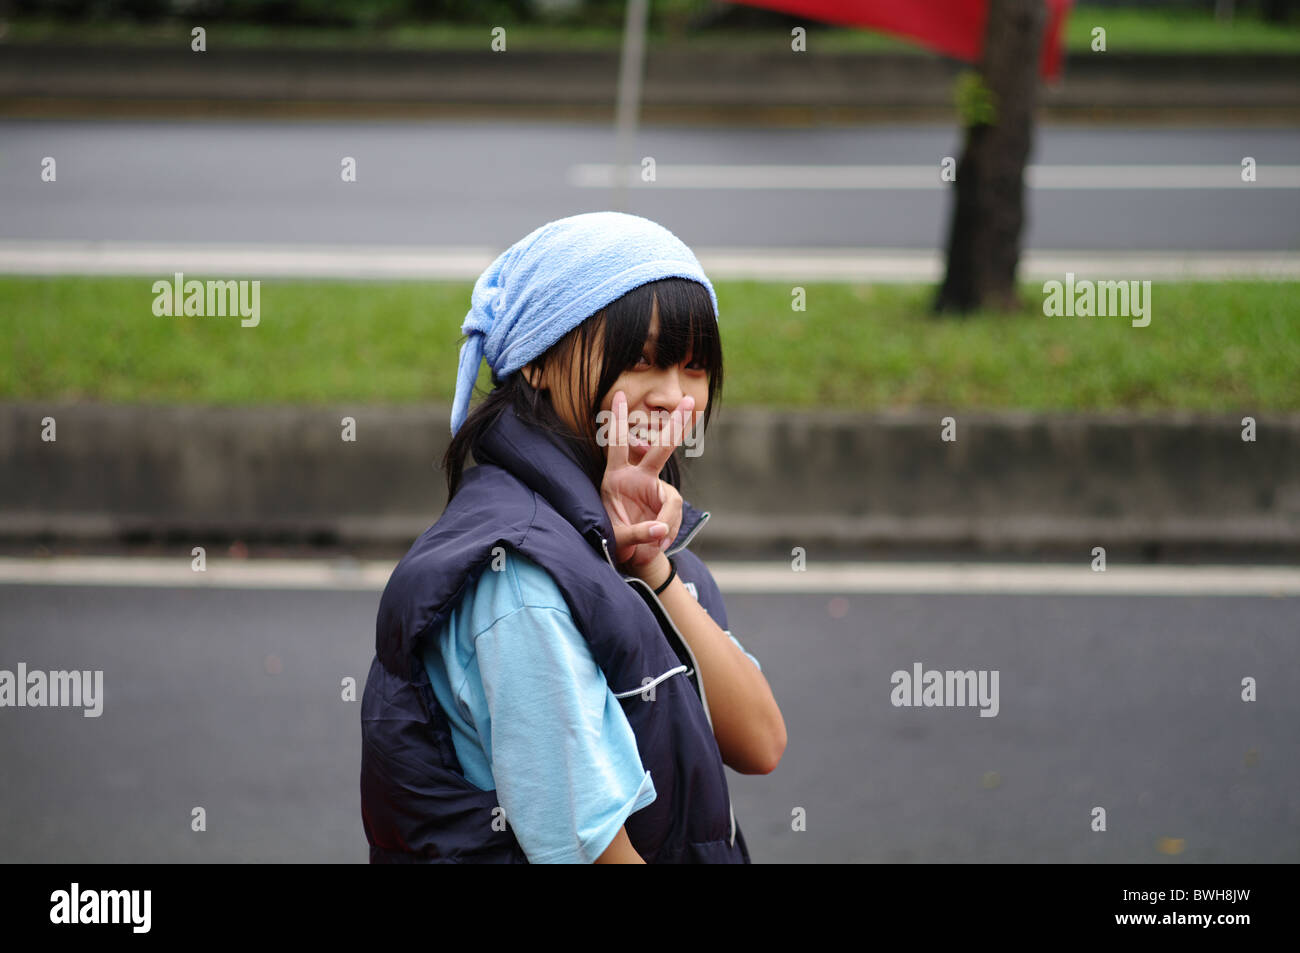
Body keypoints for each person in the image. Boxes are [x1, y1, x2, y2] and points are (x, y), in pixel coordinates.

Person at [360, 211, 786, 863]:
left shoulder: (632, 539)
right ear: (537, 363)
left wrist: (653, 565)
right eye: (642, 360)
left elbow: (760, 741)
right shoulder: (519, 576)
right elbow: (585, 849)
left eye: (695, 367)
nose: (675, 396)